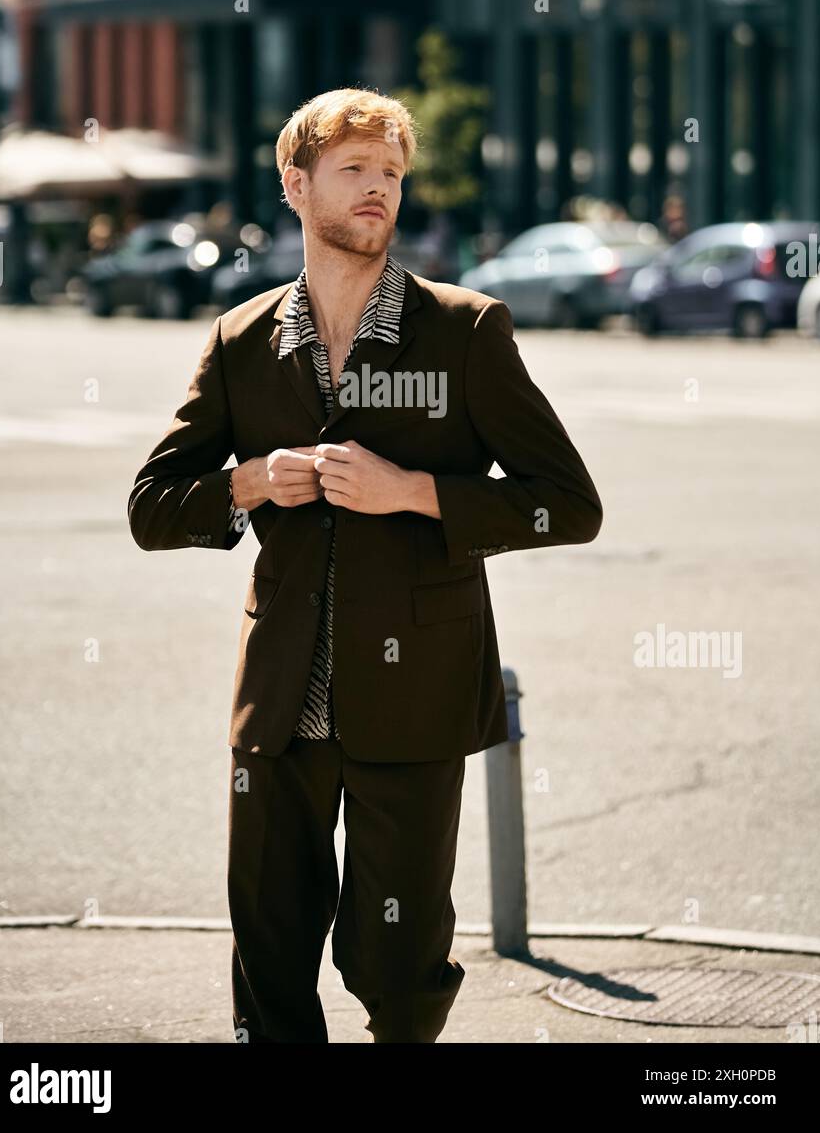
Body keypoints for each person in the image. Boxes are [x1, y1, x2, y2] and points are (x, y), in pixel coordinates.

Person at [127, 87, 603, 1044]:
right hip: (282, 705)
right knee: (268, 956)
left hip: (416, 701)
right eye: (355, 171)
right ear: (297, 186)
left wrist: (417, 491)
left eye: (391, 172)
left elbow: (569, 503)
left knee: (398, 962)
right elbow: (151, 508)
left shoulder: (465, 331)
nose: (379, 189)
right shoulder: (243, 341)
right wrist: (250, 482)